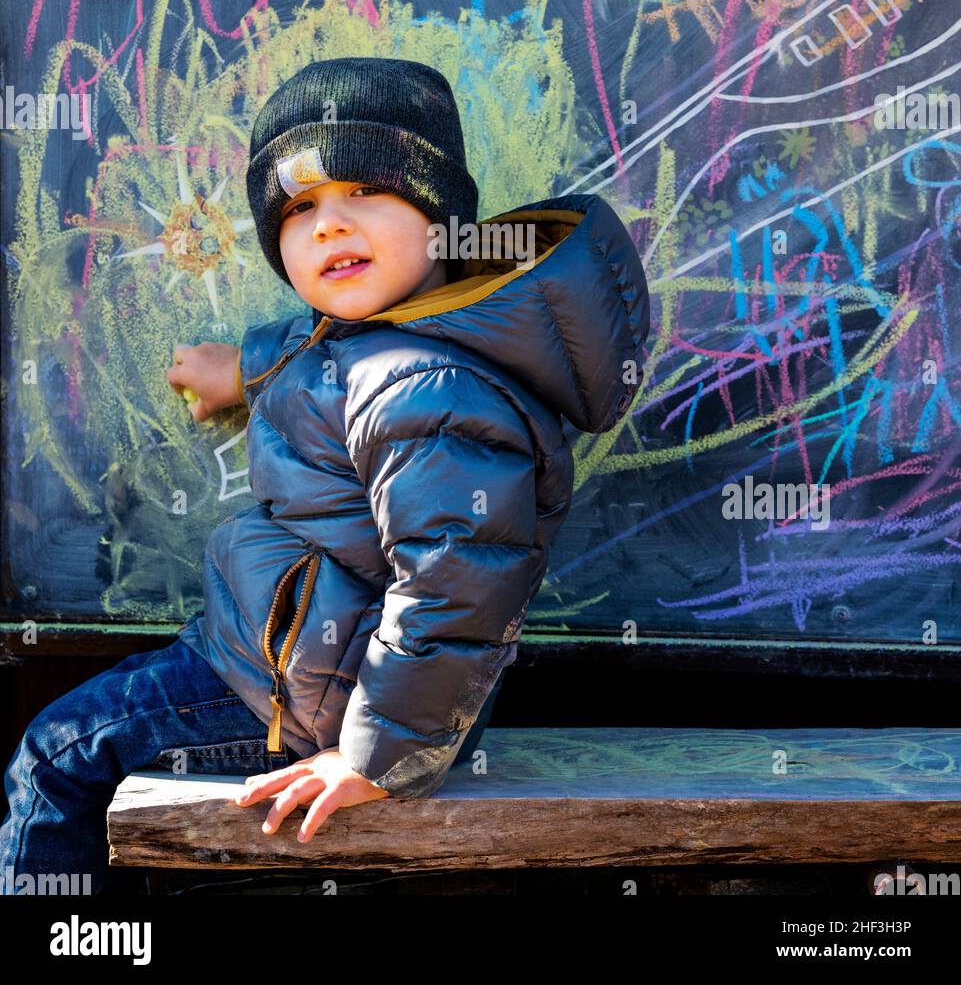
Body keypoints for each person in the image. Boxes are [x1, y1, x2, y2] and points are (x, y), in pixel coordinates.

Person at [0, 57, 650, 893]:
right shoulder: (391, 346)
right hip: (294, 668)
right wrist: (242, 368)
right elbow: (319, 354)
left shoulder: (426, 387)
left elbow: (457, 586)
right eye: (299, 209)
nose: (330, 226)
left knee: (55, 756)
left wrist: (374, 759)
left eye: (366, 193)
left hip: (321, 709)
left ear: (442, 220)